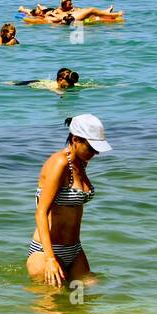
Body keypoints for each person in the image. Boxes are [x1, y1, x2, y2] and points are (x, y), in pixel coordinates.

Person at [27, 114, 111, 286]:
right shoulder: (59, 163)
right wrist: (50, 260)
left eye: (97, 149)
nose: (94, 153)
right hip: (47, 251)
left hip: (74, 250)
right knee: (53, 308)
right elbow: (41, 212)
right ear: (75, 139)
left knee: (89, 300)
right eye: (91, 148)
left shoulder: (80, 163)